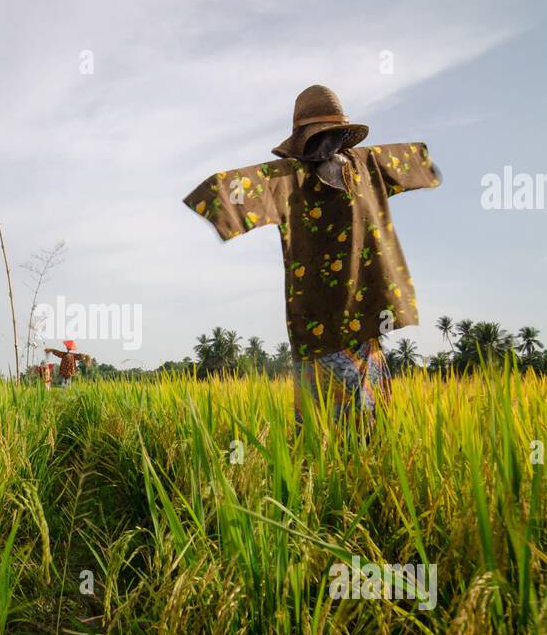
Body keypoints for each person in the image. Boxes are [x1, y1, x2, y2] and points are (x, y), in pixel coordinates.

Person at [183, 85, 441, 423]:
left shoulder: (367, 167)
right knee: (324, 433)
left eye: (331, 140)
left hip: (362, 321)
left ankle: (353, 469)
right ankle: (327, 470)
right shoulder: (289, 179)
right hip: (322, 326)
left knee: (366, 424)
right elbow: (226, 190)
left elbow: (418, 162)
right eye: (320, 141)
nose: (327, 150)